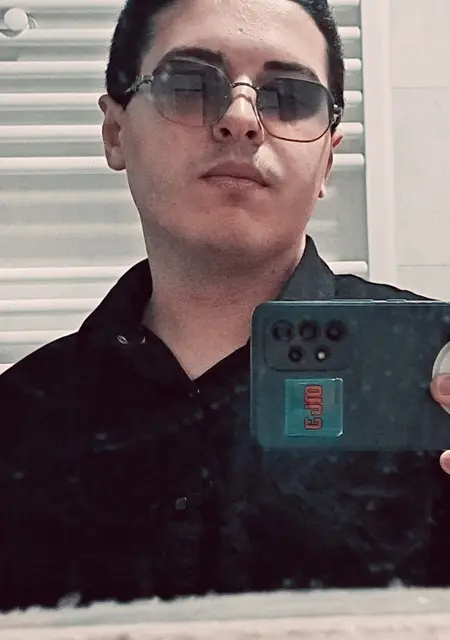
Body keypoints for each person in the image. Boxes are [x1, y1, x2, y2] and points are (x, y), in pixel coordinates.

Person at [0, 0, 450, 611]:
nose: (241, 119)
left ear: (328, 159)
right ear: (115, 133)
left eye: (288, 96)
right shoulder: (17, 421)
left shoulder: (435, 382)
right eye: (190, 85)